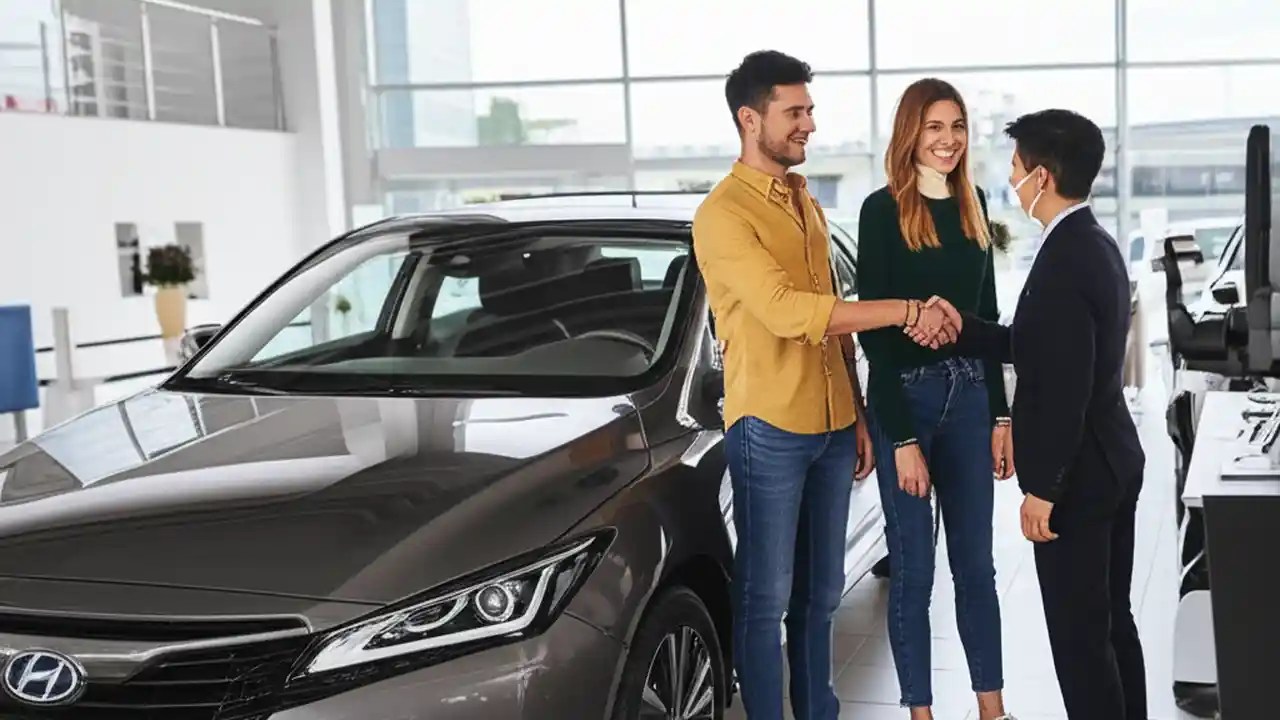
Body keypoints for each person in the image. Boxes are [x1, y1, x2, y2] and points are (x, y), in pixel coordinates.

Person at [691, 51, 956, 720]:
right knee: (764, 599)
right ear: (750, 119)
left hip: (834, 429)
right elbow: (788, 311)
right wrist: (902, 309)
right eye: (796, 111)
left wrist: (860, 413)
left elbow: (832, 317)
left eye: (809, 109)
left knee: (821, 595)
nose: (810, 122)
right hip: (769, 430)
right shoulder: (723, 216)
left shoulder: (804, 202)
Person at [937, 108, 1148, 720]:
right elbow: (1044, 347)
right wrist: (967, 330)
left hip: (1078, 476)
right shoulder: (1093, 244)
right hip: (1112, 457)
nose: (1011, 179)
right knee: (1111, 623)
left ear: (1043, 175)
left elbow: (1062, 388)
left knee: (1080, 641)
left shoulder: (1062, 260)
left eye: (1016, 167)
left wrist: (1043, 489)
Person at [855, 78, 1015, 720]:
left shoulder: (973, 202)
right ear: (909, 134)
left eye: (956, 127)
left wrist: (1003, 415)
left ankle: (992, 708)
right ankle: (920, 711)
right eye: (934, 128)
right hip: (908, 403)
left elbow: (991, 318)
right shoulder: (880, 210)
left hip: (974, 400)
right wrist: (900, 440)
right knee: (914, 575)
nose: (948, 141)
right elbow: (874, 331)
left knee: (976, 567)